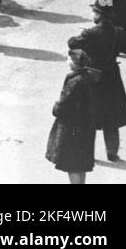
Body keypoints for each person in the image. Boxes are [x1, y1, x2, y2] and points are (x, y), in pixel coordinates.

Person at [68, 5, 126, 161]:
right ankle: (112, 152)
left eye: (93, 11)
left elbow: (72, 43)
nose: (91, 14)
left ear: (99, 14)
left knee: (89, 114)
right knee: (111, 115)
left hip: (94, 76)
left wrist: (84, 34)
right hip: (112, 76)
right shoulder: (118, 31)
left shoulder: (90, 33)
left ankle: (87, 152)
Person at [46, 50, 99, 184]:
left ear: (73, 63)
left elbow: (64, 106)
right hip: (86, 126)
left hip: (72, 128)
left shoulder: (74, 81)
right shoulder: (90, 77)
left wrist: (56, 107)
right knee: (81, 164)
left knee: (72, 164)